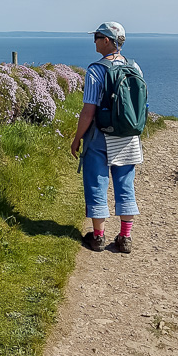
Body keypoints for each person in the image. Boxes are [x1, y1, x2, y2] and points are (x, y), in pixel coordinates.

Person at [71, 22, 143, 254]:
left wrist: (77, 138)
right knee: (125, 184)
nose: (94, 40)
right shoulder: (134, 67)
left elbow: (88, 111)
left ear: (107, 40)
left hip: (100, 135)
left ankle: (98, 237)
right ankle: (125, 237)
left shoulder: (96, 70)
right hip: (128, 136)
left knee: (96, 182)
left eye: (97, 36)